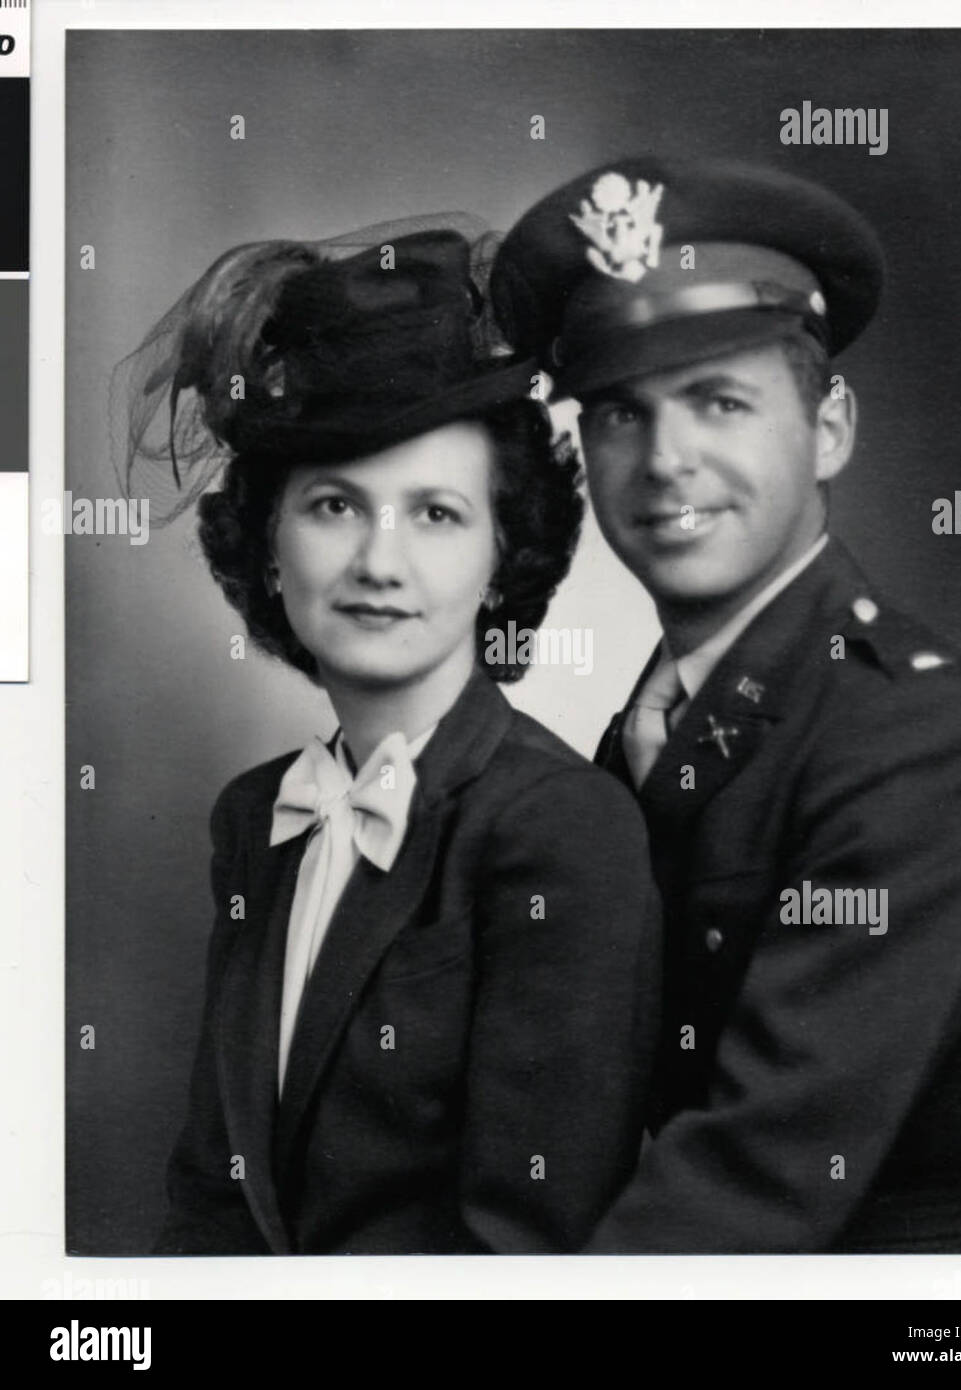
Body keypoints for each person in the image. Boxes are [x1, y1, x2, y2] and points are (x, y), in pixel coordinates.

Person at [492, 160, 961, 1252]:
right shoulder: (649, 722)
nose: (665, 463)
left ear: (830, 426)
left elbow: (754, 1181)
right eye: (618, 415)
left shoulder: (920, 736)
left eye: (721, 402)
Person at [118, 218, 661, 1254]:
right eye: (333, 505)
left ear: (507, 554)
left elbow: (530, 1245)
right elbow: (213, 1195)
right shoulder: (253, 816)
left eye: (437, 514)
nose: (379, 559)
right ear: (271, 548)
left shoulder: (560, 829)